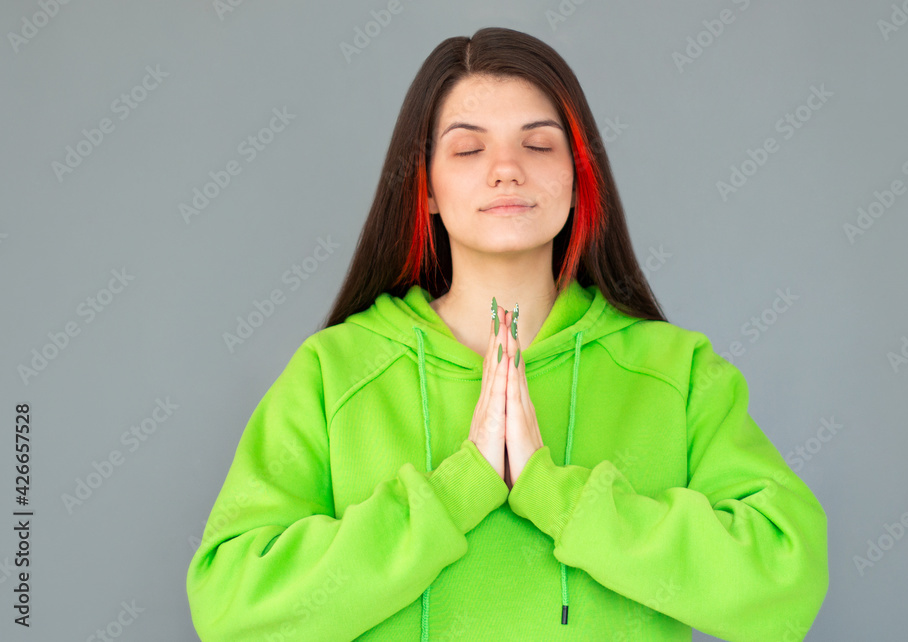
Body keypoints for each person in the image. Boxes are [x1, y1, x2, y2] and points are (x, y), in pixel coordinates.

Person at [186, 26, 829, 641]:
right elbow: (231, 609)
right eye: (468, 149)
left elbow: (785, 586)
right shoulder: (335, 372)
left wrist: (558, 497)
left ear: (578, 177)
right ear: (426, 187)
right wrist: (454, 495)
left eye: (539, 145)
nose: (506, 169)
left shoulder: (676, 371)